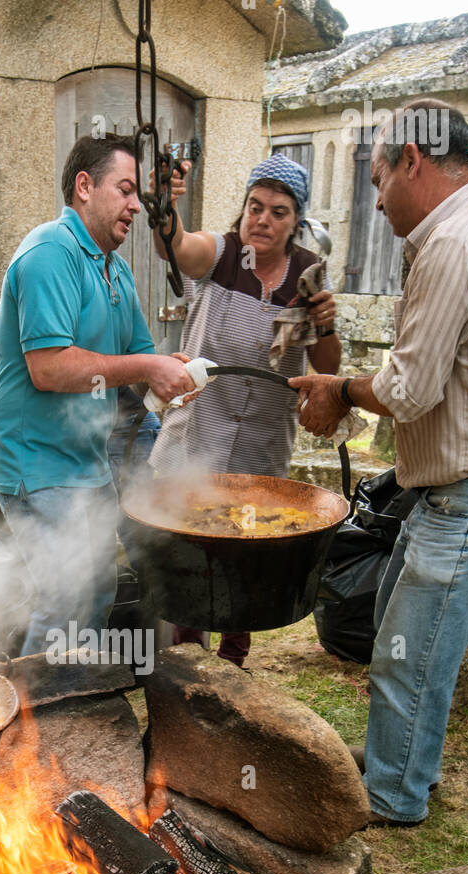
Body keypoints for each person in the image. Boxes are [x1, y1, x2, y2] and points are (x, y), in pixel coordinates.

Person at [290, 100, 468, 825]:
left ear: (411, 161)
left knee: (407, 655)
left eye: (376, 177)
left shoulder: (455, 243)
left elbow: (409, 387)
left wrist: (338, 388)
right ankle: (402, 768)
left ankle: (392, 797)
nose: (373, 196)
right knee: (405, 640)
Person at [0, 133, 196, 657]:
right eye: (125, 190)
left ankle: (71, 704)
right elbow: (50, 369)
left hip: (87, 462)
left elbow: (139, 360)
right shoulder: (50, 252)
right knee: (63, 594)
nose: (134, 206)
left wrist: (172, 372)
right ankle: (37, 720)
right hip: (34, 462)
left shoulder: (115, 271)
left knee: (98, 588)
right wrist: (149, 365)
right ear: (84, 186)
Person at [149, 153, 340, 666]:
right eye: (255, 206)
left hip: (262, 437)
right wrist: (167, 207)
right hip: (200, 430)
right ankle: (186, 663)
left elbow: (327, 365)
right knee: (191, 548)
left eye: (278, 212)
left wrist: (324, 323)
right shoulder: (222, 253)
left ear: (295, 221)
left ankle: (233, 662)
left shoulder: (307, 275)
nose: (263, 218)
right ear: (244, 209)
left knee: (246, 550)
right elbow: (180, 247)